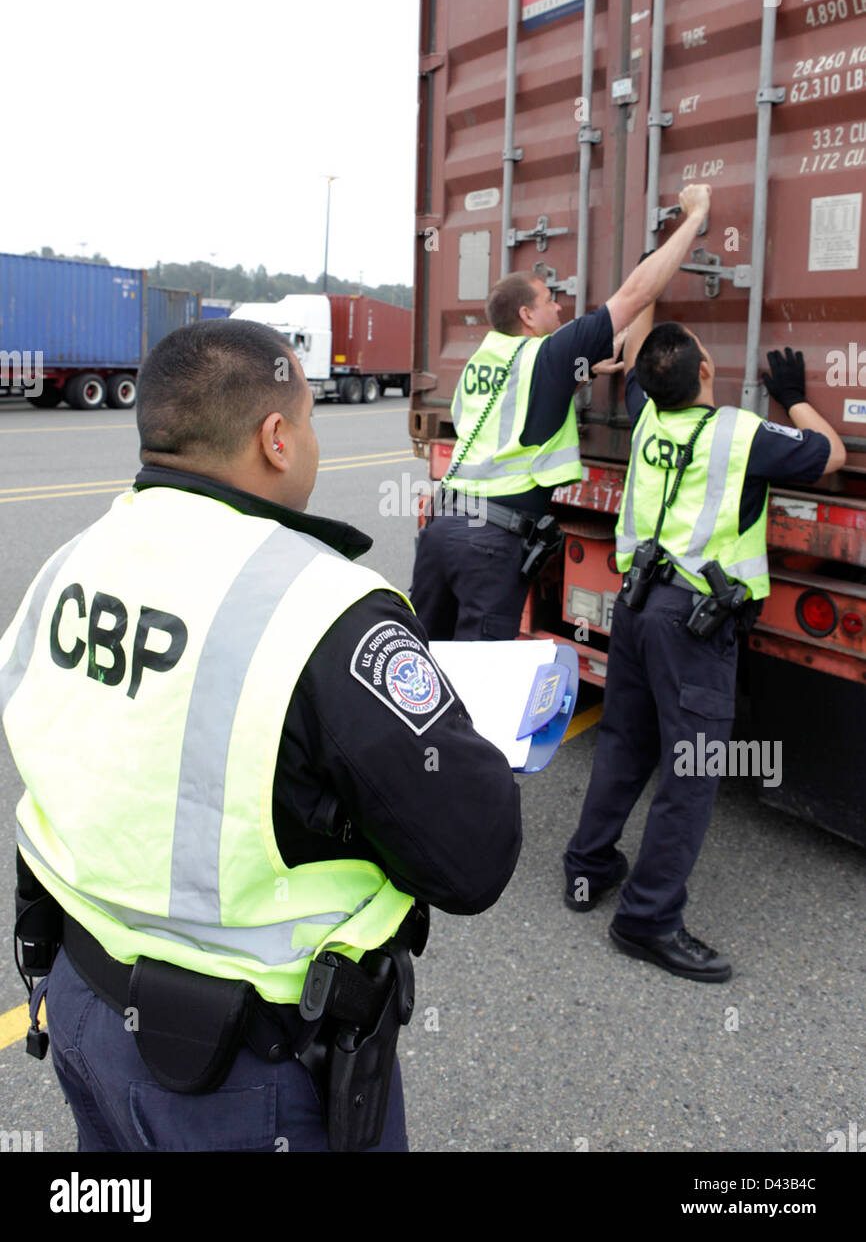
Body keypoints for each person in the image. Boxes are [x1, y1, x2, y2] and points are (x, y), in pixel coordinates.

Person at [2, 318, 522, 1153]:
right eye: (310, 418)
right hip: (238, 1069)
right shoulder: (324, 607)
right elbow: (472, 858)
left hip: (79, 1003)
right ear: (276, 438)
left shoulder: (74, 560)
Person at [561, 290, 846, 982]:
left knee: (627, 741)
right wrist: (792, 398)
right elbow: (832, 454)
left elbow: (639, 361)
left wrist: (655, 280)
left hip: (634, 606)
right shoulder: (742, 433)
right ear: (708, 373)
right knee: (690, 773)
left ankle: (587, 868)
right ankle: (647, 920)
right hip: (691, 625)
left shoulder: (647, 413)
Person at [410, 185, 716, 642]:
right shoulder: (548, 356)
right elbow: (636, 293)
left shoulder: (483, 358)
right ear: (527, 316)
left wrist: (579, 373)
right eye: (549, 299)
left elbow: (514, 403)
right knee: (480, 677)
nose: (559, 304)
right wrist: (695, 217)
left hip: (444, 530)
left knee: (424, 660)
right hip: (489, 545)